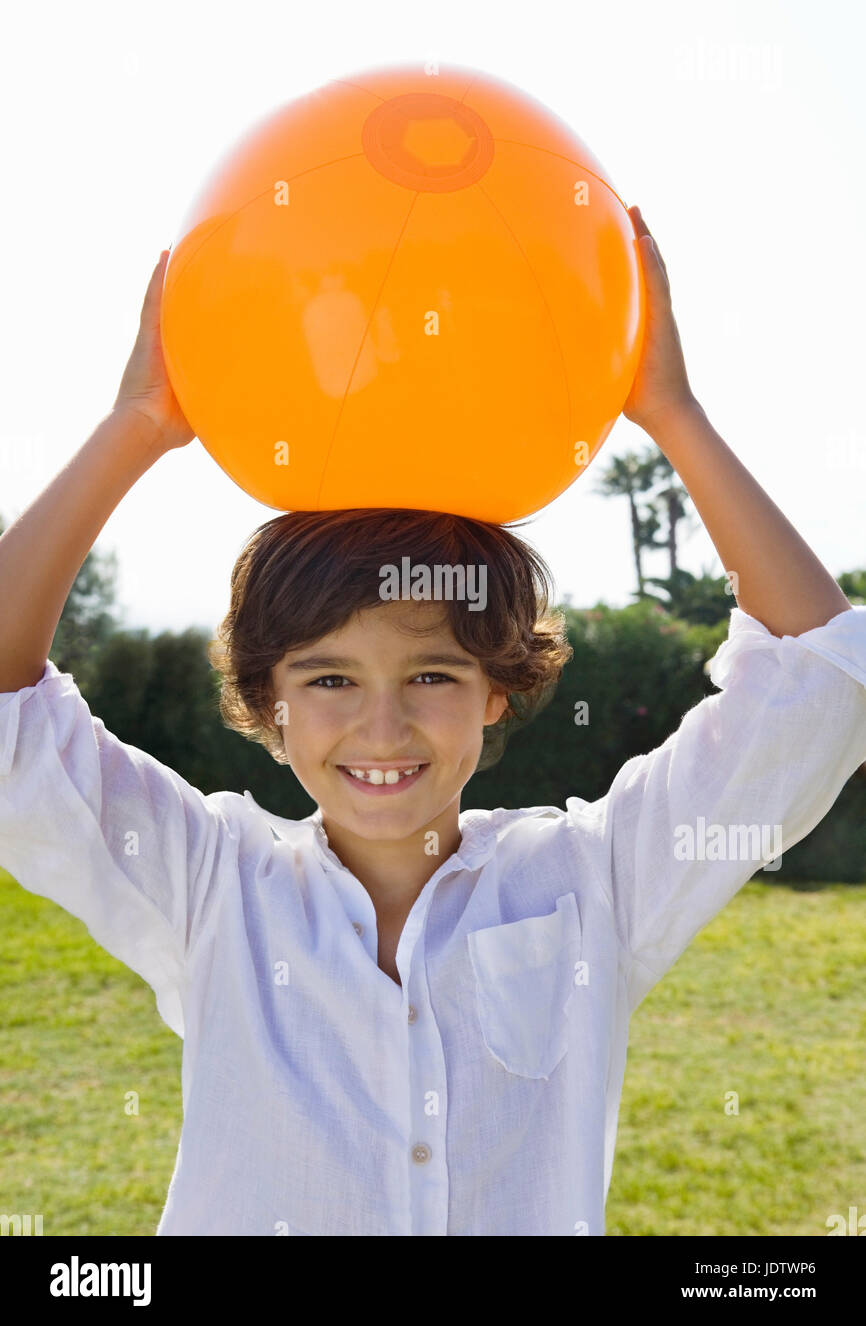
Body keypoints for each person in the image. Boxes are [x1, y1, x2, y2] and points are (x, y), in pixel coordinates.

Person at [1, 209, 864, 1236]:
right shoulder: (210, 884)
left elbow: (821, 689)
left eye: (431, 675)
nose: (383, 727)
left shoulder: (593, 881)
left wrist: (671, 413)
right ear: (268, 702)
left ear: (497, 691)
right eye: (329, 679)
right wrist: (137, 423)